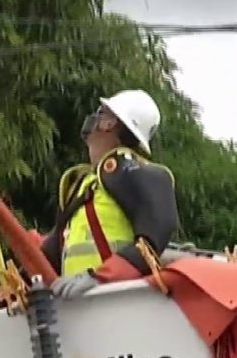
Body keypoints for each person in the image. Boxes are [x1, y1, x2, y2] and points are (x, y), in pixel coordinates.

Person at [31, 89, 180, 299]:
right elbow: (53, 250)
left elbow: (156, 233)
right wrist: (25, 280)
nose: (93, 118)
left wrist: (101, 276)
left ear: (109, 123)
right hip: (78, 302)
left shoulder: (128, 170)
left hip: (117, 299)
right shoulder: (86, 184)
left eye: (100, 112)